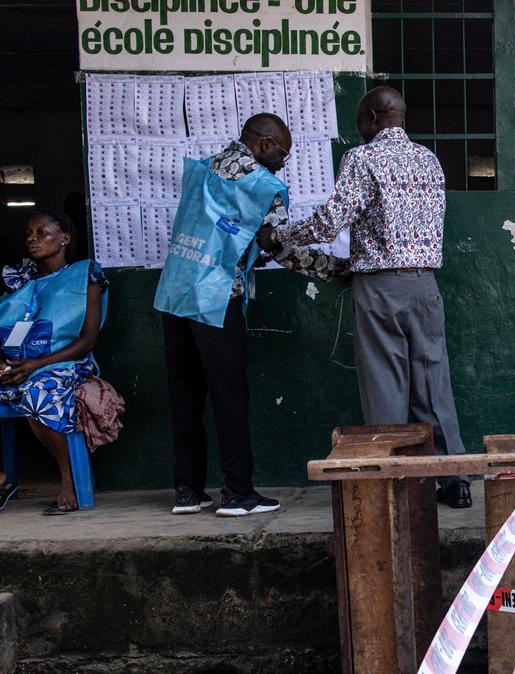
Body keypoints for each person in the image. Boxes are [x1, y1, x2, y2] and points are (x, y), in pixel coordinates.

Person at [256, 86, 471, 508]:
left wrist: (279, 237)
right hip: (425, 285)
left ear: (372, 117)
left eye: (359, 122)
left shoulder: (363, 158)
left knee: (385, 385)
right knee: (434, 383)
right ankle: (456, 480)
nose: (359, 130)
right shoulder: (428, 159)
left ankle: (396, 484)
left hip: (379, 288)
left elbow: (329, 222)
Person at [156, 113, 346, 517]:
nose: (283, 164)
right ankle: (238, 494)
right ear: (264, 144)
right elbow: (282, 249)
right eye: (282, 154)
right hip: (216, 299)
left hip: (174, 294)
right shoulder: (263, 186)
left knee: (185, 397)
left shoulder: (201, 169)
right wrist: (338, 270)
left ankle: (188, 491)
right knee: (230, 397)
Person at [0, 211, 110, 515]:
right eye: (29, 233)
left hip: (66, 364)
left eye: (42, 232)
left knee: (36, 393)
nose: (32, 239)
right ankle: (4, 477)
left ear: (64, 238)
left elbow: (88, 340)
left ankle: (68, 478)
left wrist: (35, 366)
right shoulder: (22, 280)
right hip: (18, 367)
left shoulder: (84, 275)